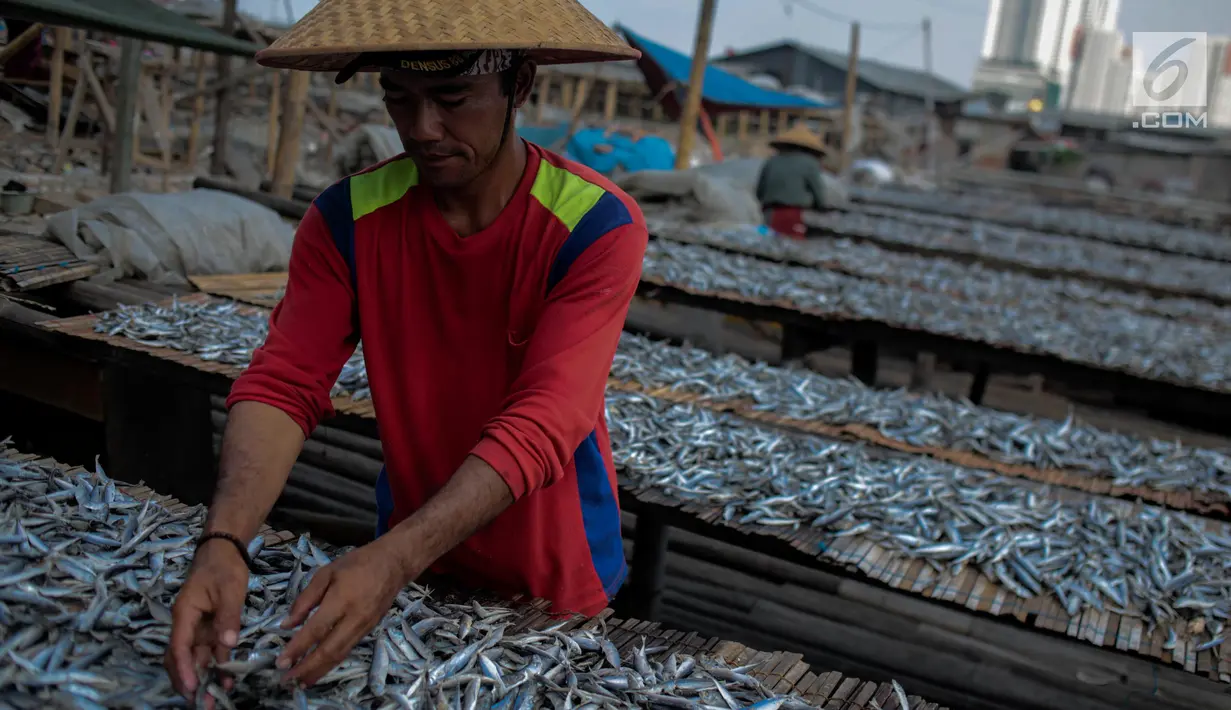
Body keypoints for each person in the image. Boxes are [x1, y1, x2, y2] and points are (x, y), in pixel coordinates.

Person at [164, 0, 646, 697]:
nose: (421, 129)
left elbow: (550, 415)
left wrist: (392, 560)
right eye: (399, 98)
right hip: (412, 556)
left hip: (553, 572)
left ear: (520, 85)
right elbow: (284, 381)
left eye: (452, 98)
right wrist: (224, 541)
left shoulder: (594, 223)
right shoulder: (347, 217)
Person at [755, 124, 831, 240]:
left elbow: (759, 190)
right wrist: (822, 207)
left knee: (768, 238)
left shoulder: (772, 161)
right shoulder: (810, 163)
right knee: (793, 241)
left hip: (769, 210)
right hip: (793, 211)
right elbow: (818, 190)